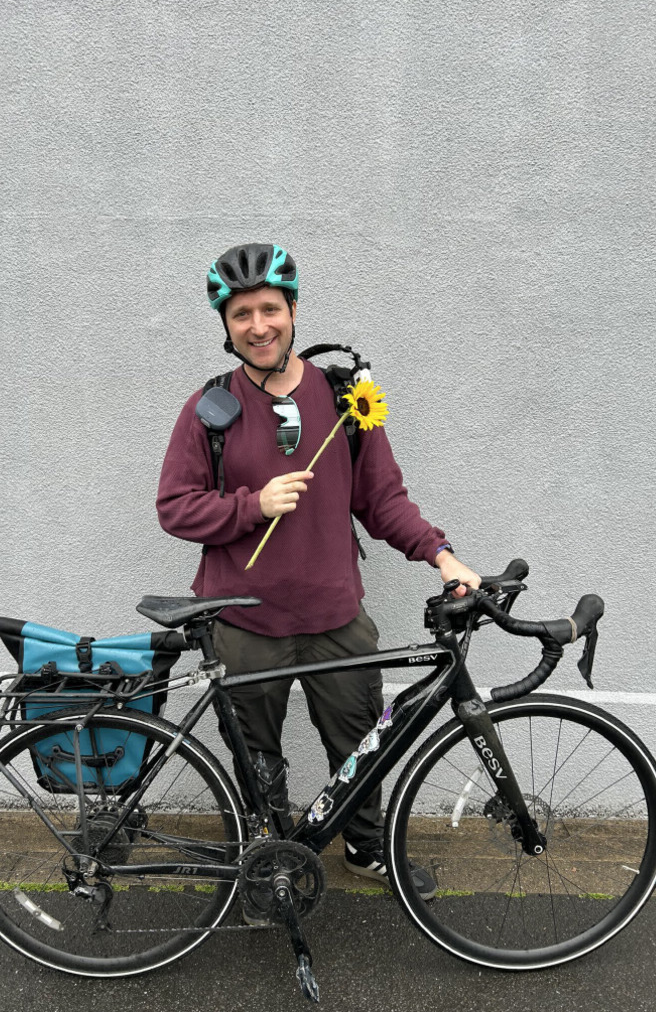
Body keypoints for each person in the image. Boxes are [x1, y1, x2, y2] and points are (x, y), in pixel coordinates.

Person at [156, 242, 481, 906]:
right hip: (242, 621)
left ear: (294, 310)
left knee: (364, 744)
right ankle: (270, 866)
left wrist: (442, 555)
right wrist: (252, 505)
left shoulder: (347, 400)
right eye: (241, 312)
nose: (258, 325)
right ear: (225, 323)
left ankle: (366, 851)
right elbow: (173, 506)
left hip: (336, 618)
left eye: (270, 308)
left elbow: (383, 499)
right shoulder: (208, 411)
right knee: (258, 759)